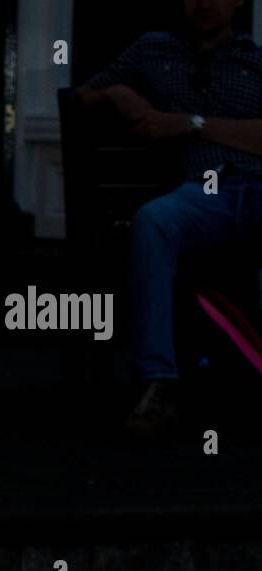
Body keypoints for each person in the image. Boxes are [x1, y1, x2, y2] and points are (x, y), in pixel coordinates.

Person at [75, 0, 262, 435]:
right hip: (201, 192)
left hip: (256, 185)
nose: (205, 4)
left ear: (238, 3)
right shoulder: (154, 51)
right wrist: (113, 93)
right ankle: (159, 383)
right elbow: (83, 97)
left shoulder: (255, 59)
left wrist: (191, 123)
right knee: (154, 220)